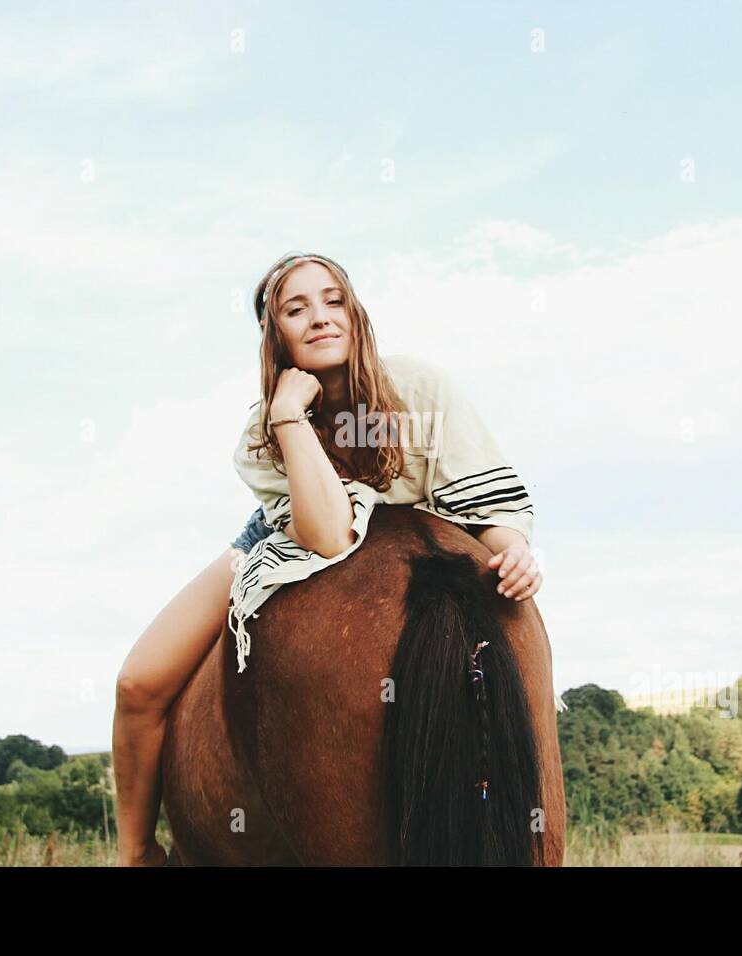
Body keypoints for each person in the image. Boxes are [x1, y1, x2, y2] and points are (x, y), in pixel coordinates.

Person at [111, 251, 542, 867]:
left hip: (423, 541)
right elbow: (328, 538)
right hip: (279, 544)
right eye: (296, 308)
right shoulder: (264, 430)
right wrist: (290, 415)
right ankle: (134, 853)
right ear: (274, 335)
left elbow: (483, 496)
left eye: (332, 300)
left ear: (354, 311)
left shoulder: (421, 388)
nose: (319, 317)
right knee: (138, 683)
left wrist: (514, 548)